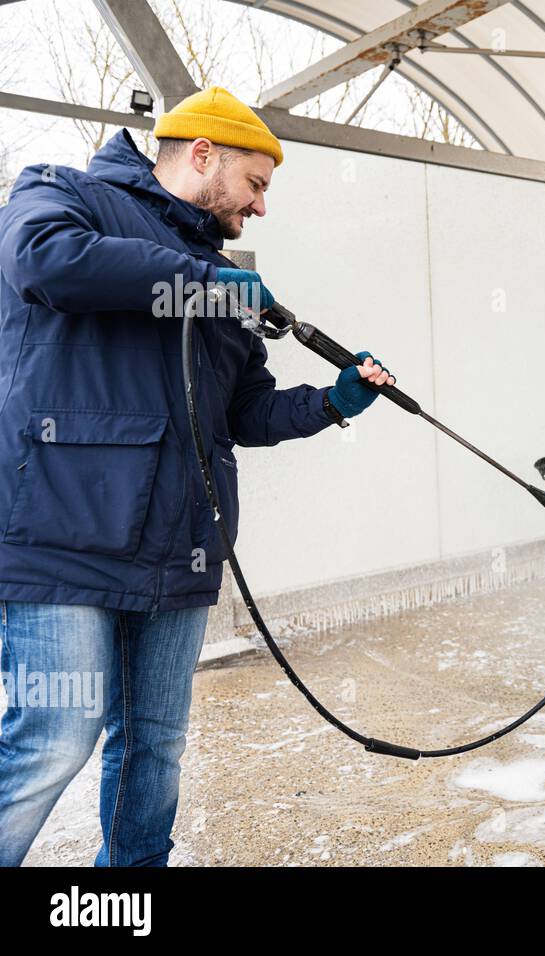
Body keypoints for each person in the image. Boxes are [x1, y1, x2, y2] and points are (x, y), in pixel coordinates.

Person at [0, 86, 394, 866]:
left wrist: (330, 401)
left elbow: (244, 411)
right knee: (57, 738)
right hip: (63, 538)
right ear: (203, 155)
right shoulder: (61, 193)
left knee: (156, 746)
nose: (261, 207)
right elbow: (44, 263)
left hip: (179, 545)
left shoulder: (218, 275)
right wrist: (200, 285)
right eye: (256, 184)